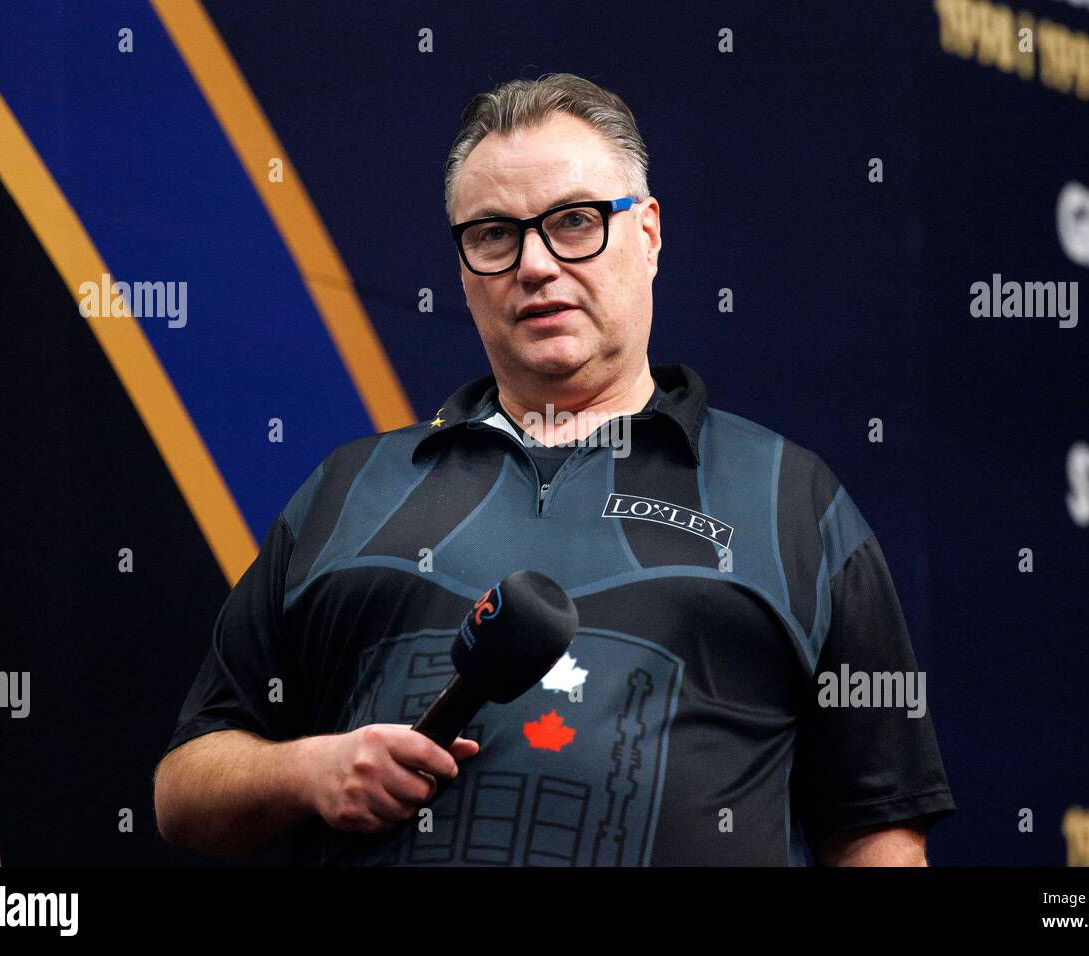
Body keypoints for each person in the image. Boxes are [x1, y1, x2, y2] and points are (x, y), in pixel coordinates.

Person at [153, 72, 955, 866]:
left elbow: (876, 828)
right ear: (465, 273)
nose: (534, 264)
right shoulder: (349, 489)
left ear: (648, 233)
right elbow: (184, 790)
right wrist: (307, 769)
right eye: (495, 234)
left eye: (574, 222)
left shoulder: (793, 499)